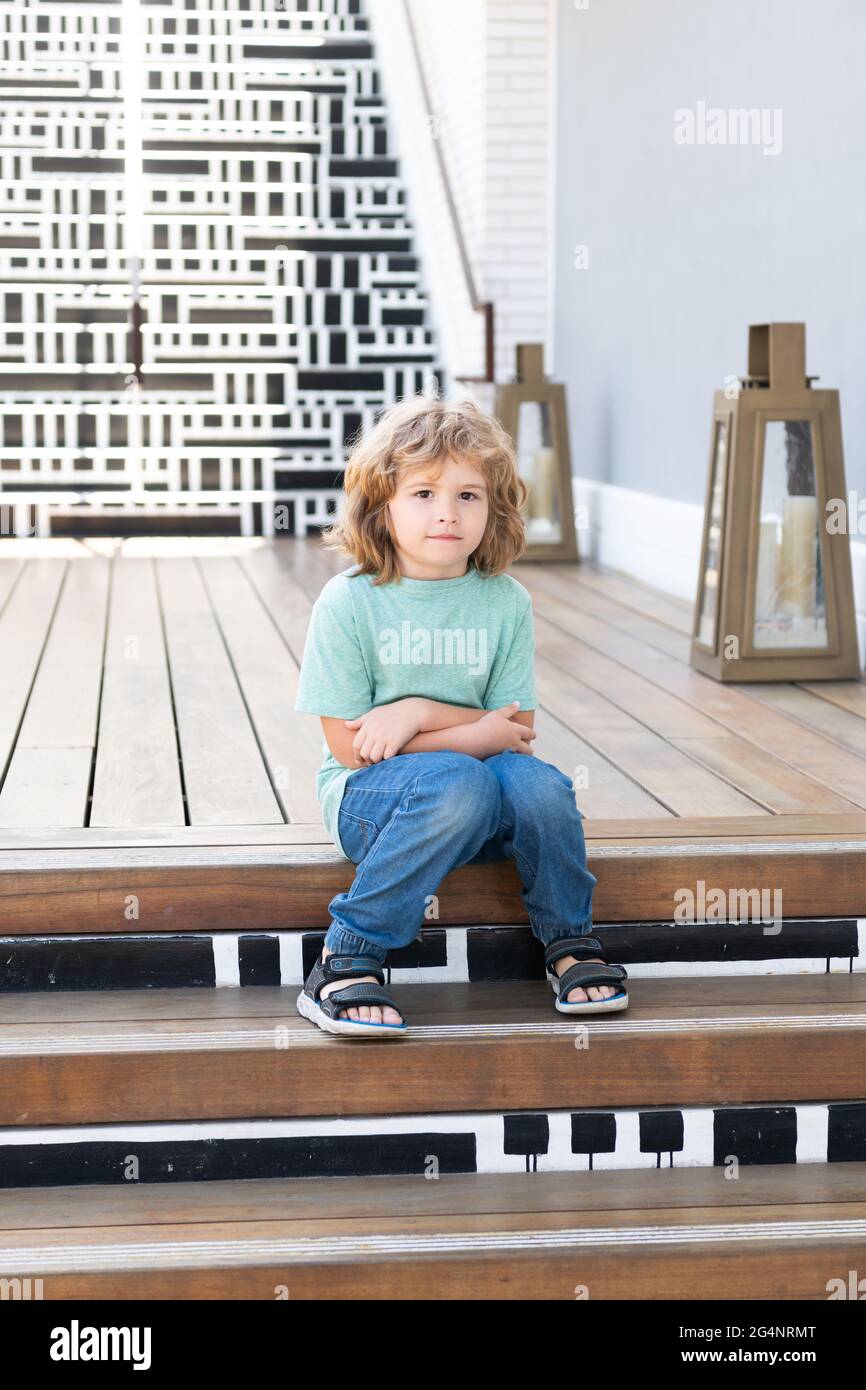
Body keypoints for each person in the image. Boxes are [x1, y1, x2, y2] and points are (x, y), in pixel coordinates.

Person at [293, 394, 628, 1036]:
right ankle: (347, 955)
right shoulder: (349, 603)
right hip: (372, 803)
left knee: (543, 785)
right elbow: (347, 748)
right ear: (381, 503)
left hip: (480, 798)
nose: (447, 513)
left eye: (468, 495)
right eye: (423, 494)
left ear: (492, 506)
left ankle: (570, 944)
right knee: (463, 780)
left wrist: (415, 712)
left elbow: (516, 731)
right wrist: (474, 734)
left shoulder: (505, 602)